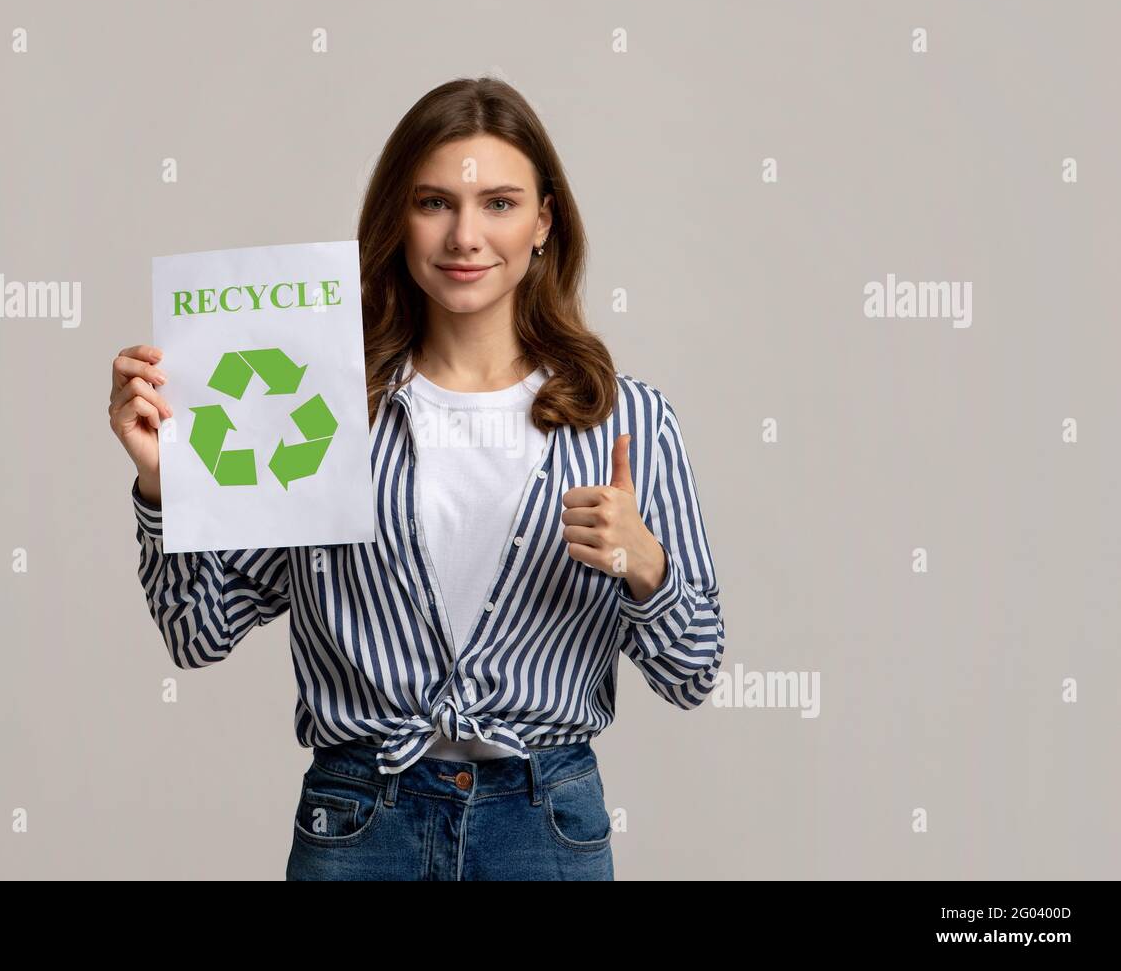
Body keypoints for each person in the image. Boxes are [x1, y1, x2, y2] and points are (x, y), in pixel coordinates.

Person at [107, 77, 725, 880]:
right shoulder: (323, 412)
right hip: (362, 825)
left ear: (544, 222)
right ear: (398, 218)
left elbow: (693, 672)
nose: (466, 235)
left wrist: (645, 566)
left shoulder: (624, 421)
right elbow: (199, 634)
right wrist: (167, 488)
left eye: (499, 203)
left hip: (545, 828)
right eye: (435, 202)